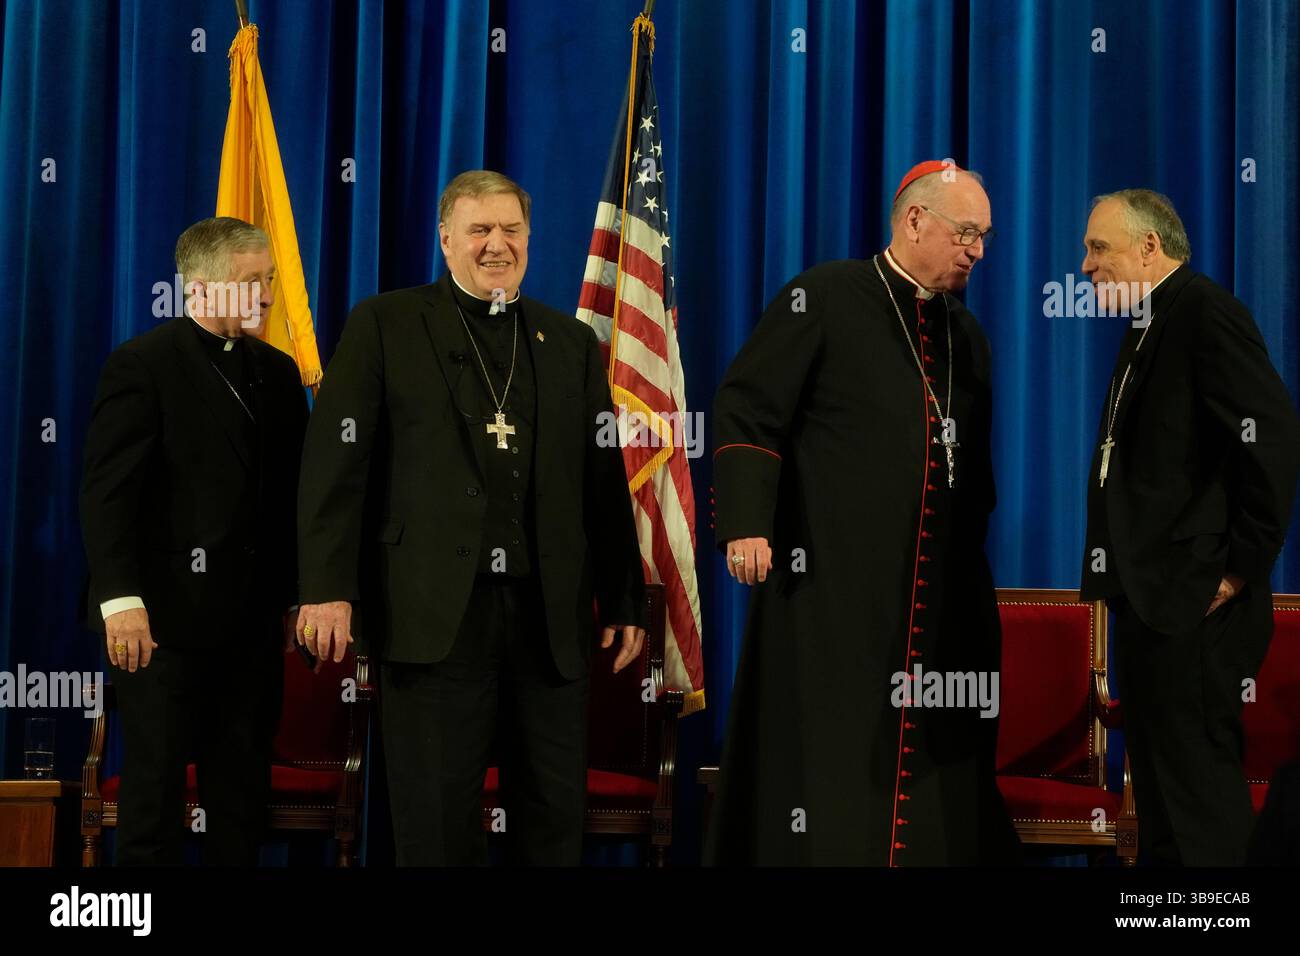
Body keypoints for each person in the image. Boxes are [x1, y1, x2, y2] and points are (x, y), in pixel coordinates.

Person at [295, 170, 646, 865]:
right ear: (445, 238)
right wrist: (326, 586)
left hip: (548, 617)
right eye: (480, 230)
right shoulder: (385, 323)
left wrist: (625, 593)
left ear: (529, 237)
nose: (496, 246)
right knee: (434, 821)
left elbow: (600, 481)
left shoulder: (568, 342)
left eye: (511, 230)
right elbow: (336, 469)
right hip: (431, 615)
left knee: (552, 820)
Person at [705, 161, 1018, 865]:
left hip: (939, 599)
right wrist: (748, 522)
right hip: (831, 591)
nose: (976, 251)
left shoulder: (965, 336)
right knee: (834, 767)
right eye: (965, 233)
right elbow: (748, 407)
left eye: (985, 238)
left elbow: (976, 469)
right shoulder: (822, 297)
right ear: (913, 221)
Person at [1078, 188, 1300, 865]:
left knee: (1200, 802)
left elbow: (1273, 441)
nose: (1085, 267)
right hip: (1150, 602)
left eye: (1098, 248)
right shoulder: (1149, 321)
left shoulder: (1204, 313)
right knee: (1164, 807)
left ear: (1150, 247)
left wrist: (1238, 566)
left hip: (1198, 606)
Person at [80, 216, 307, 864]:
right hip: (161, 626)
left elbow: (292, 500)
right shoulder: (143, 365)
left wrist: (293, 597)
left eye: (268, 280)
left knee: (240, 802)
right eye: (250, 282)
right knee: (152, 802)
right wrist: (120, 599)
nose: (266, 296)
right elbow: (108, 494)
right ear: (200, 287)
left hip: (251, 626)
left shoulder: (279, 374)